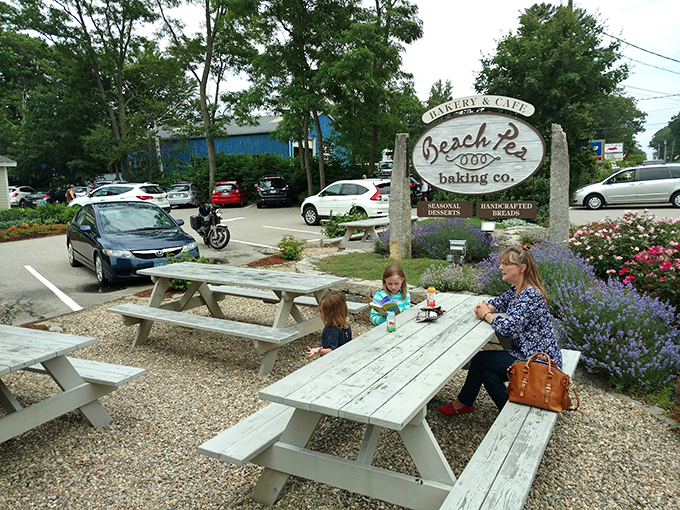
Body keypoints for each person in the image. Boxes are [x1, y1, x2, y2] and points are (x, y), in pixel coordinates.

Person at [439, 245, 562, 416]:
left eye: (506, 264)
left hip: (538, 362)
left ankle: (463, 403)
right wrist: (488, 306)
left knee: (481, 360)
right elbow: (500, 301)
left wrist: (487, 315)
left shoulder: (530, 295)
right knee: (488, 373)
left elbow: (509, 328)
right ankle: (507, 415)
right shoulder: (518, 290)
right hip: (526, 353)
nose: (500, 267)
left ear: (522, 268)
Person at [306, 291, 352, 357]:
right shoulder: (345, 324)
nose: (321, 315)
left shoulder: (331, 329)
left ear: (334, 314)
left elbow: (332, 351)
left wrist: (319, 351)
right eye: (321, 311)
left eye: (325, 313)